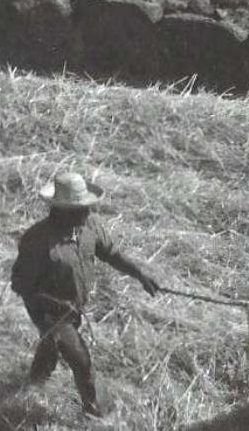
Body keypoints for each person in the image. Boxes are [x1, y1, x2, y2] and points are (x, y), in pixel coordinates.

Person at [10, 171, 161, 417]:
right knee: (80, 359)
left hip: (74, 307)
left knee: (54, 343)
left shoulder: (88, 226)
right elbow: (21, 285)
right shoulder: (37, 241)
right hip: (48, 312)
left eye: (87, 207)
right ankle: (99, 413)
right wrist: (54, 305)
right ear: (60, 211)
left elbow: (111, 254)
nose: (87, 213)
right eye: (80, 209)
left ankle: (37, 377)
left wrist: (140, 274)